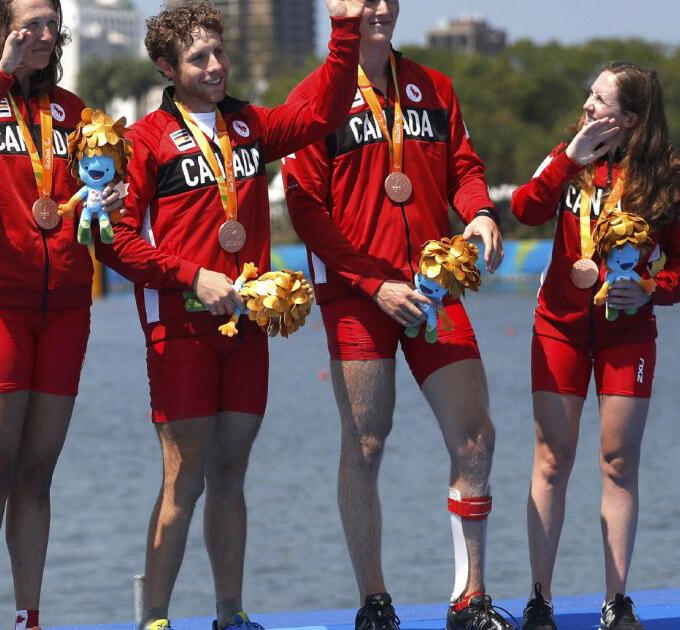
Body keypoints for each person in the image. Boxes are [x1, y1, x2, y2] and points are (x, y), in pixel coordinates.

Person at [97, 2, 366, 629]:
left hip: (245, 328)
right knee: (184, 477)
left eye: (219, 53)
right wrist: (193, 275)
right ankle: (156, 619)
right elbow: (114, 240)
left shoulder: (250, 124)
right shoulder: (144, 142)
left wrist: (346, 31)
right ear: (167, 66)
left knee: (231, 473)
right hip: (180, 328)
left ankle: (230, 614)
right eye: (199, 58)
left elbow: (324, 111)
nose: (216, 66)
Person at [279, 0, 513, 627]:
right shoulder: (312, 98)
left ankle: (470, 599)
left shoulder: (434, 87)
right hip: (359, 294)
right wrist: (372, 284)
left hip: (436, 286)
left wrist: (482, 211)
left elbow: (463, 166)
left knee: (476, 440)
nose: (378, 8)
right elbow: (305, 210)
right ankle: (375, 602)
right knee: (367, 443)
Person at [0, 2, 117, 628]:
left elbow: (93, 195)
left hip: (63, 305)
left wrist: (109, 196)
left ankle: (29, 617)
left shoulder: (76, 113)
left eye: (49, 23)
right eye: (28, 23)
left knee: (37, 473)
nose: (42, 35)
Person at [511, 61, 680, 630]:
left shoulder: (665, 175)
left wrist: (649, 290)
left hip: (628, 334)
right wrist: (569, 157)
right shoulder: (567, 158)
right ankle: (540, 601)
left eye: (602, 100)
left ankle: (616, 603)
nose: (590, 106)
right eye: (590, 95)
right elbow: (523, 209)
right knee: (552, 459)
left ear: (632, 119)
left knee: (618, 463)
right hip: (559, 328)